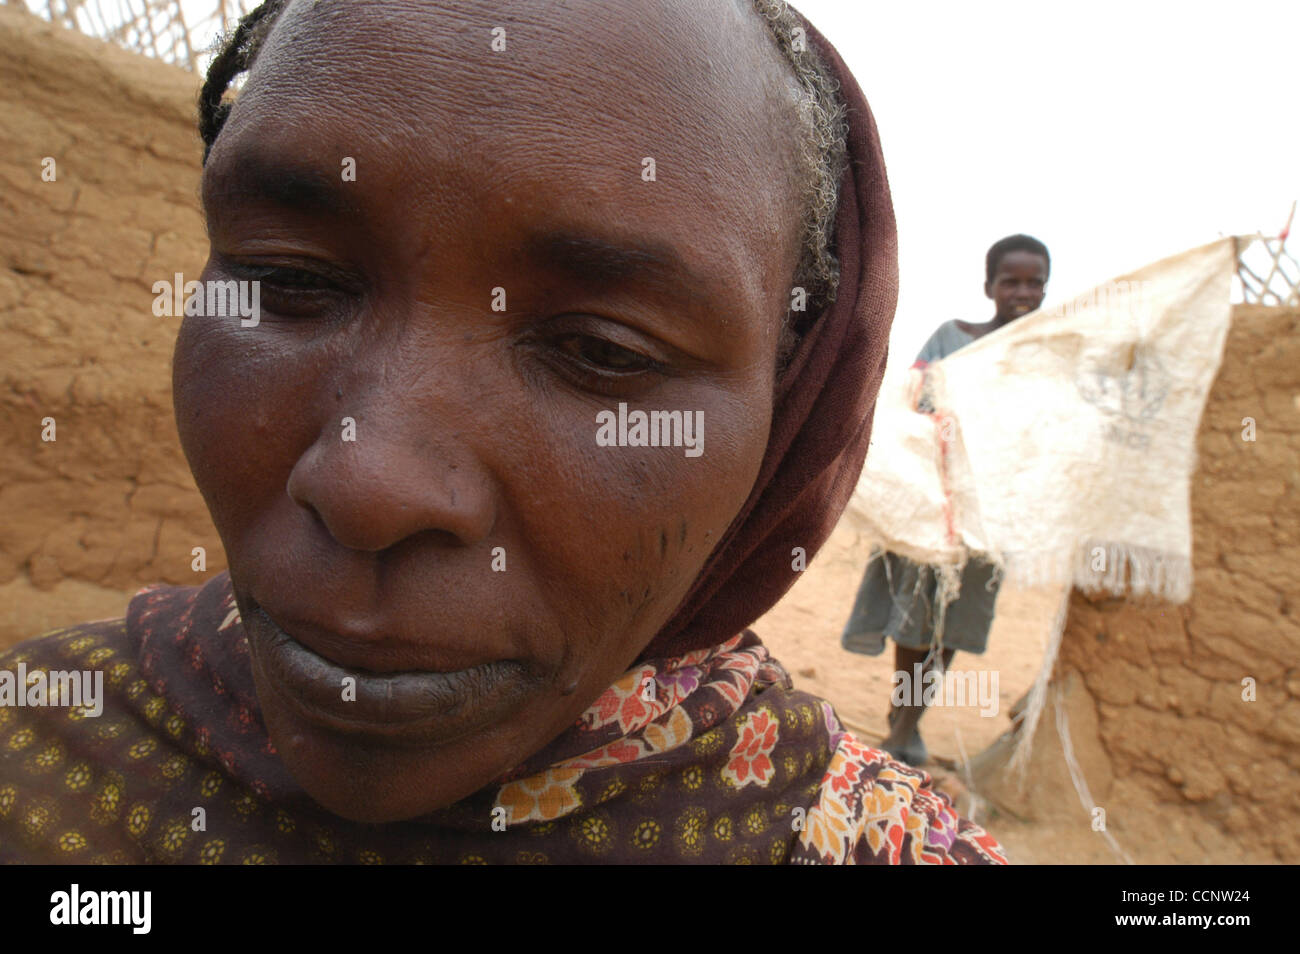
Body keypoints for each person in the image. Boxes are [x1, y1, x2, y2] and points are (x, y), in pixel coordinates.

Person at [0, 0, 1005, 864]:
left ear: (794, 415)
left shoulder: (858, 840)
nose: (367, 483)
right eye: (287, 278)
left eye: (605, 351)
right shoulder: (40, 748)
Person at [842, 234, 1050, 767]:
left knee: (952, 626)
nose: (1023, 292)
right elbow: (914, 401)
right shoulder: (952, 338)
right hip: (929, 505)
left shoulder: (1047, 354)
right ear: (990, 286)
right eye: (1012, 281)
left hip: (989, 520)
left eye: (1035, 282)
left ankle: (909, 717)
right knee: (914, 620)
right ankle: (904, 722)